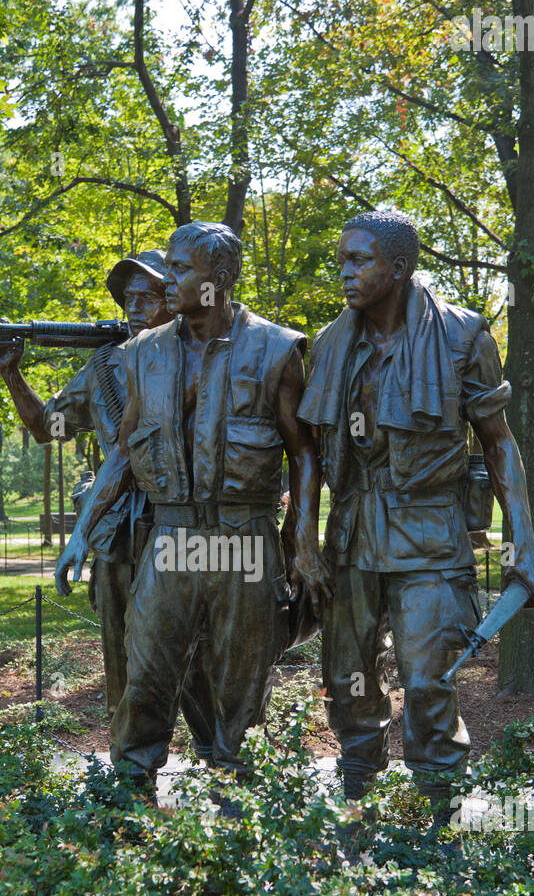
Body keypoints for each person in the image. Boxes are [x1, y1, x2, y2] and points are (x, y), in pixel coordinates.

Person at [56, 220, 332, 791]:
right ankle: (130, 800)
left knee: (240, 683)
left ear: (220, 279)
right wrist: (83, 529)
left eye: (181, 269)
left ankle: (238, 811)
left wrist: (303, 540)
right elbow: (126, 451)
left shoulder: (276, 349)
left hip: (244, 537)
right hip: (172, 536)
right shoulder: (142, 354)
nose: (169, 281)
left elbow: (305, 453)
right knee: (148, 673)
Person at [298, 209, 534, 828]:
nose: (346, 274)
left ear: (399, 267)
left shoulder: (463, 336)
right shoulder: (333, 344)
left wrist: (525, 537)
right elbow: (306, 449)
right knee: (347, 674)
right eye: (342, 261)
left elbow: (498, 443)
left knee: (428, 676)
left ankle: (438, 815)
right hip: (353, 531)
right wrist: (302, 536)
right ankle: (356, 791)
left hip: (430, 531)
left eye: (360, 261)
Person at [0, 253, 215, 755]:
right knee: (121, 649)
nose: (135, 308)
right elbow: (48, 428)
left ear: (172, 301)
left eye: (147, 298)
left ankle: (218, 759)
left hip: (184, 525)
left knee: (196, 647)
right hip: (119, 532)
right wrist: (13, 375)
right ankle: (130, 770)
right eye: (127, 298)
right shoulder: (105, 367)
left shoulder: (203, 356)